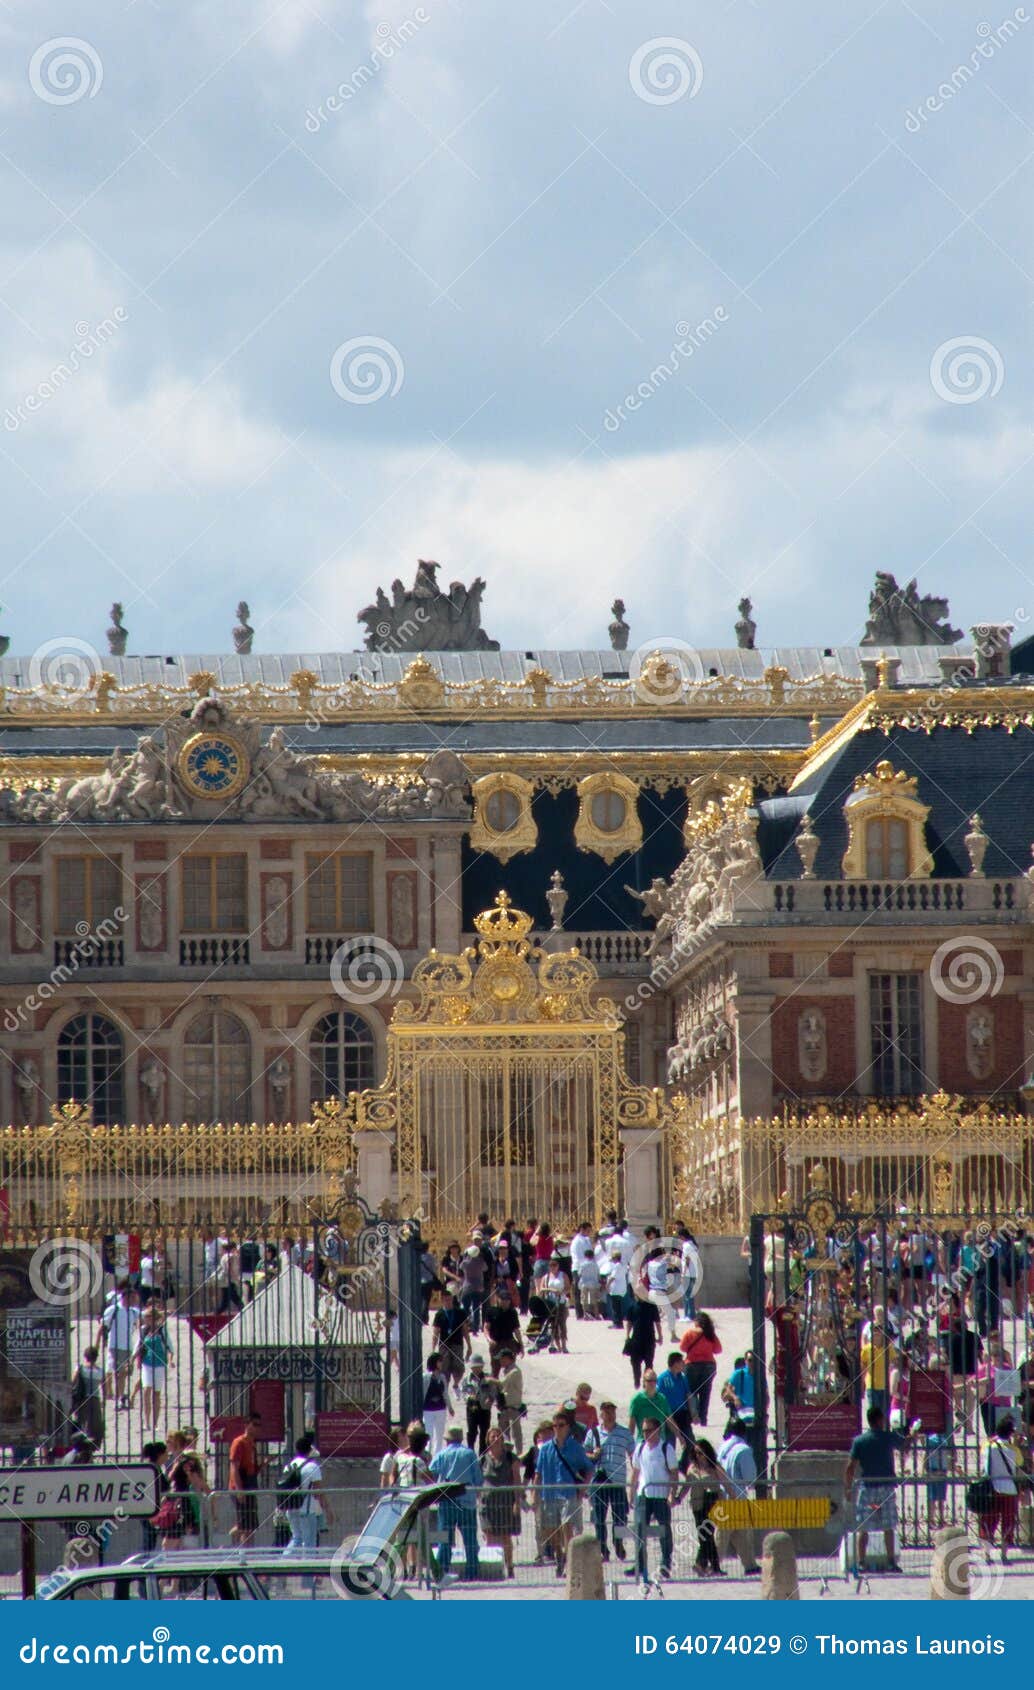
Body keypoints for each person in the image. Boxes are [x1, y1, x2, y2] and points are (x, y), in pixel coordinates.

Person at [844, 1404, 916, 1574]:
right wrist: (913, 1435)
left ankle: (861, 1562)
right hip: (886, 1486)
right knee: (888, 1526)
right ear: (879, 1420)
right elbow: (904, 1446)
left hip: (866, 1487)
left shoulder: (859, 1441)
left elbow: (850, 1467)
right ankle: (891, 1562)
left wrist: (847, 1488)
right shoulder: (887, 1437)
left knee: (863, 1528)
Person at [533, 1407, 594, 1578]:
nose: (558, 1428)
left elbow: (589, 1468)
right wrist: (534, 1495)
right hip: (549, 1495)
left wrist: (583, 1488)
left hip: (568, 1493)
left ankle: (568, 1562)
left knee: (567, 1527)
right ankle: (560, 1557)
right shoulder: (545, 1448)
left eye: (561, 1425)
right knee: (552, 1531)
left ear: (567, 1427)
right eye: (555, 1426)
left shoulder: (575, 1447)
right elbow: (538, 1473)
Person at [628, 1415, 679, 1582]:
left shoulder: (666, 1448)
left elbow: (673, 1473)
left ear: (657, 1430)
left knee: (664, 1530)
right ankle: (640, 1565)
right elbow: (636, 1471)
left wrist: (672, 1493)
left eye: (648, 1430)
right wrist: (631, 1492)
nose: (645, 1433)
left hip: (661, 1496)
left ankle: (665, 1564)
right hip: (644, 1495)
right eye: (643, 1430)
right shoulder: (640, 1447)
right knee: (640, 1530)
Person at [430, 1425, 483, 1582]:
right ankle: (472, 1570)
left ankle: (443, 1570)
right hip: (467, 1500)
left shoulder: (442, 1454)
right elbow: (478, 1478)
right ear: (461, 1439)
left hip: (446, 1500)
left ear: (447, 1440)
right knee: (470, 1538)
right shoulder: (469, 1454)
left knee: (444, 1538)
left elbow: (431, 1472)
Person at [585, 1399, 634, 1561]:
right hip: (599, 1481)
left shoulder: (624, 1433)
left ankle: (618, 1543)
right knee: (599, 1518)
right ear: (601, 1414)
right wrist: (594, 1455)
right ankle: (602, 1547)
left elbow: (633, 1456)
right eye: (606, 1411)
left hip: (618, 1481)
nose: (609, 1414)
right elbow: (584, 1455)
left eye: (612, 1411)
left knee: (620, 1517)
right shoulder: (593, 1433)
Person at [716, 1417, 760, 1576]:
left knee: (740, 1534)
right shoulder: (744, 1449)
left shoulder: (722, 1448)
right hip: (738, 1497)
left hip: (723, 1495)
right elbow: (750, 1477)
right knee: (723, 1535)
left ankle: (750, 1565)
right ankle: (711, 1565)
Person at [283, 1434, 333, 1566]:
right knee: (309, 1542)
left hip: (291, 1508)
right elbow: (318, 1492)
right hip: (307, 1510)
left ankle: (282, 1564)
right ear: (309, 1450)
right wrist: (328, 1510)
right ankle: (308, 1576)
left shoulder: (289, 1466)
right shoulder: (312, 1467)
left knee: (297, 1538)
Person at [478, 1424, 521, 1578]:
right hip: (487, 1504)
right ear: (488, 1440)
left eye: (498, 1436)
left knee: (505, 1535)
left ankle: (509, 1566)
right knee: (489, 1535)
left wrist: (518, 1501)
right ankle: (492, 1567)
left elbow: (517, 1479)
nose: (496, 1439)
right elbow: (477, 1482)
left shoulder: (510, 1457)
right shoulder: (482, 1458)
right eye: (493, 1436)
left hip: (506, 1502)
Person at [980, 1413, 1022, 1564]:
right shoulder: (1014, 1450)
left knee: (988, 1521)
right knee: (1008, 1522)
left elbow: (983, 1458)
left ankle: (987, 1555)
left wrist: (991, 1440)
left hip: (992, 1488)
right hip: (1009, 1489)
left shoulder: (988, 1447)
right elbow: (1018, 1465)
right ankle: (1004, 1554)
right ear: (1010, 1433)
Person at [685, 1438, 725, 1578]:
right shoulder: (692, 1468)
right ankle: (714, 1567)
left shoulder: (715, 1467)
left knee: (706, 1535)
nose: (698, 1456)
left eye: (701, 1453)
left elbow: (727, 1484)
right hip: (697, 1505)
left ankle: (701, 1564)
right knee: (705, 1536)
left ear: (707, 1453)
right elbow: (686, 1486)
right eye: (696, 1453)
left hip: (712, 1503)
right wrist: (677, 1497)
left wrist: (733, 1499)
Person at [98, 1283, 138, 1408]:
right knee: (118, 1372)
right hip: (115, 1346)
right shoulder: (113, 1309)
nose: (135, 1300)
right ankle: (117, 1397)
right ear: (126, 1297)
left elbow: (147, 1317)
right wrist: (97, 1344)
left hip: (128, 1347)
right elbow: (102, 1326)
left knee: (124, 1373)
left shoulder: (133, 1311)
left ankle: (120, 1397)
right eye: (132, 1298)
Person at [135, 1303, 173, 1431]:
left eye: (147, 1317)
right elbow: (138, 1346)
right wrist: (133, 1359)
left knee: (156, 1394)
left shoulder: (162, 1330)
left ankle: (155, 1423)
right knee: (146, 1391)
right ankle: (146, 1422)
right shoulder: (143, 1330)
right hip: (147, 1364)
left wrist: (170, 1360)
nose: (145, 1319)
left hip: (160, 1365)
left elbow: (170, 1348)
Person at [680, 1311, 722, 1424]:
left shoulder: (689, 1333)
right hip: (709, 1365)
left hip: (692, 1364)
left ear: (697, 1322)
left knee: (691, 1392)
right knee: (705, 1392)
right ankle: (703, 1418)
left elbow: (682, 1348)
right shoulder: (710, 1334)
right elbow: (718, 1350)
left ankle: (693, 1417)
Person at [228, 1411, 264, 1544]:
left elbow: (251, 1468)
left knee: (250, 1524)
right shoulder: (239, 1443)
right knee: (246, 1526)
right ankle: (244, 1553)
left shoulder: (252, 1444)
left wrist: (264, 1463)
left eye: (259, 1425)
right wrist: (239, 1489)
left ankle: (236, 1546)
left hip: (250, 1485)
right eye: (254, 1424)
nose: (257, 1428)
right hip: (241, 1487)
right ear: (246, 1425)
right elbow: (234, 1467)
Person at [656, 1351, 695, 1471]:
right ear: (675, 1363)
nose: (683, 1364)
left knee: (691, 1441)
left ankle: (683, 1464)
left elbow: (688, 1395)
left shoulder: (682, 1378)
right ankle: (668, 1468)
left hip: (682, 1414)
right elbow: (659, 1397)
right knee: (670, 1444)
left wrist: (693, 1412)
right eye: (681, 1362)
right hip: (669, 1415)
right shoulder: (663, 1378)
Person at [432, 1292, 471, 1394]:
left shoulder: (460, 1313)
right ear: (442, 1301)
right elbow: (436, 1332)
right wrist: (433, 1349)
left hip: (457, 1344)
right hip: (444, 1345)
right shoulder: (439, 1314)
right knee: (444, 1369)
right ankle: (445, 1390)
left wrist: (469, 1346)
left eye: (449, 1299)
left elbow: (465, 1330)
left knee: (459, 1367)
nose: (448, 1302)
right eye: (445, 1300)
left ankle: (456, 1384)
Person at [625, 1292, 662, 1388]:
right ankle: (637, 1379)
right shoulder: (632, 1306)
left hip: (649, 1339)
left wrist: (660, 1336)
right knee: (635, 1362)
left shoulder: (651, 1306)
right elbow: (629, 1322)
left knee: (649, 1363)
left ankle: (646, 1382)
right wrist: (627, 1336)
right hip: (636, 1339)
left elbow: (657, 1322)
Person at [70, 1346, 105, 1447]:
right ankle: (92, 1446)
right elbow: (104, 1387)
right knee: (94, 1425)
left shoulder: (80, 1368)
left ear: (85, 1356)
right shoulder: (100, 1371)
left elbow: (72, 1382)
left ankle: (81, 1445)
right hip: (95, 1399)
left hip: (82, 1399)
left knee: (82, 1422)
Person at [462, 1356, 497, 1454]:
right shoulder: (467, 1379)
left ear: (482, 1366)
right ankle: (470, 1452)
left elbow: (493, 1390)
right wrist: (468, 1397)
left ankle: (483, 1454)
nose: (476, 1369)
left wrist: (490, 1398)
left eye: (478, 1366)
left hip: (484, 1408)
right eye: (474, 1367)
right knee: (472, 1431)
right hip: (472, 1407)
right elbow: (463, 1391)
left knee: (485, 1431)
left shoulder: (488, 1378)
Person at [483, 1285, 522, 1373]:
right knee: (495, 1369)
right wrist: (489, 1339)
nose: (505, 1302)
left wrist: (521, 1344)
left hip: (509, 1342)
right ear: (498, 1299)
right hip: (496, 1343)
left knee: (511, 1369)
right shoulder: (491, 1311)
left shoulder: (512, 1312)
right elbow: (486, 1328)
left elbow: (516, 1330)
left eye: (507, 1300)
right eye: (503, 1299)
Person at [628, 1369, 673, 1440]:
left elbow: (670, 1420)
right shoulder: (637, 1400)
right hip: (643, 1441)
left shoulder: (662, 1399)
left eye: (655, 1381)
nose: (652, 1383)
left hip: (660, 1441)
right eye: (649, 1381)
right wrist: (629, 1444)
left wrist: (680, 1436)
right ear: (644, 1382)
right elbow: (631, 1425)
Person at [421, 1352, 452, 1454]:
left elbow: (445, 1393)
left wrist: (450, 1407)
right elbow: (423, 1392)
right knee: (428, 1435)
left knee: (439, 1436)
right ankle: (427, 1456)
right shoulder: (425, 1377)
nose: (441, 1363)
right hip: (428, 1409)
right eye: (439, 1361)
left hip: (440, 1409)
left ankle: (437, 1457)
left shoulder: (442, 1377)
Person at [495, 1350, 525, 1453]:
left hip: (513, 1407)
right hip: (504, 1406)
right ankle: (506, 1453)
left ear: (507, 1358)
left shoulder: (515, 1371)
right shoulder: (505, 1370)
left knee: (516, 1433)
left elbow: (502, 1384)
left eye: (502, 1359)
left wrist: (490, 1380)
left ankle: (519, 1453)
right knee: (504, 1433)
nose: (500, 1361)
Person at [721, 1352, 757, 1428]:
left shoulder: (759, 1375)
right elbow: (725, 1395)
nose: (752, 1363)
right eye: (750, 1360)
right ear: (746, 1361)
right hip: (741, 1411)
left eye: (754, 1360)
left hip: (755, 1411)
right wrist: (735, 1398)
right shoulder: (737, 1375)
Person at [544, 1254, 571, 1353]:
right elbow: (542, 1288)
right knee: (552, 1324)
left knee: (562, 1323)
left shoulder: (563, 1275)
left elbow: (568, 1287)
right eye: (551, 1265)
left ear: (558, 1266)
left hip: (561, 1301)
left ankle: (564, 1345)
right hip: (550, 1302)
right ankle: (557, 1345)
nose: (553, 1267)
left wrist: (562, 1292)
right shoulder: (546, 1277)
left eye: (555, 1265)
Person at [459, 1244, 487, 1335]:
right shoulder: (481, 1262)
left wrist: (465, 1256)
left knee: (466, 1308)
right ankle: (475, 1327)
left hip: (467, 1287)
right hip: (478, 1287)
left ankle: (466, 1326)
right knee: (476, 1308)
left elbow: (460, 1267)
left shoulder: (465, 1263)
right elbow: (485, 1269)